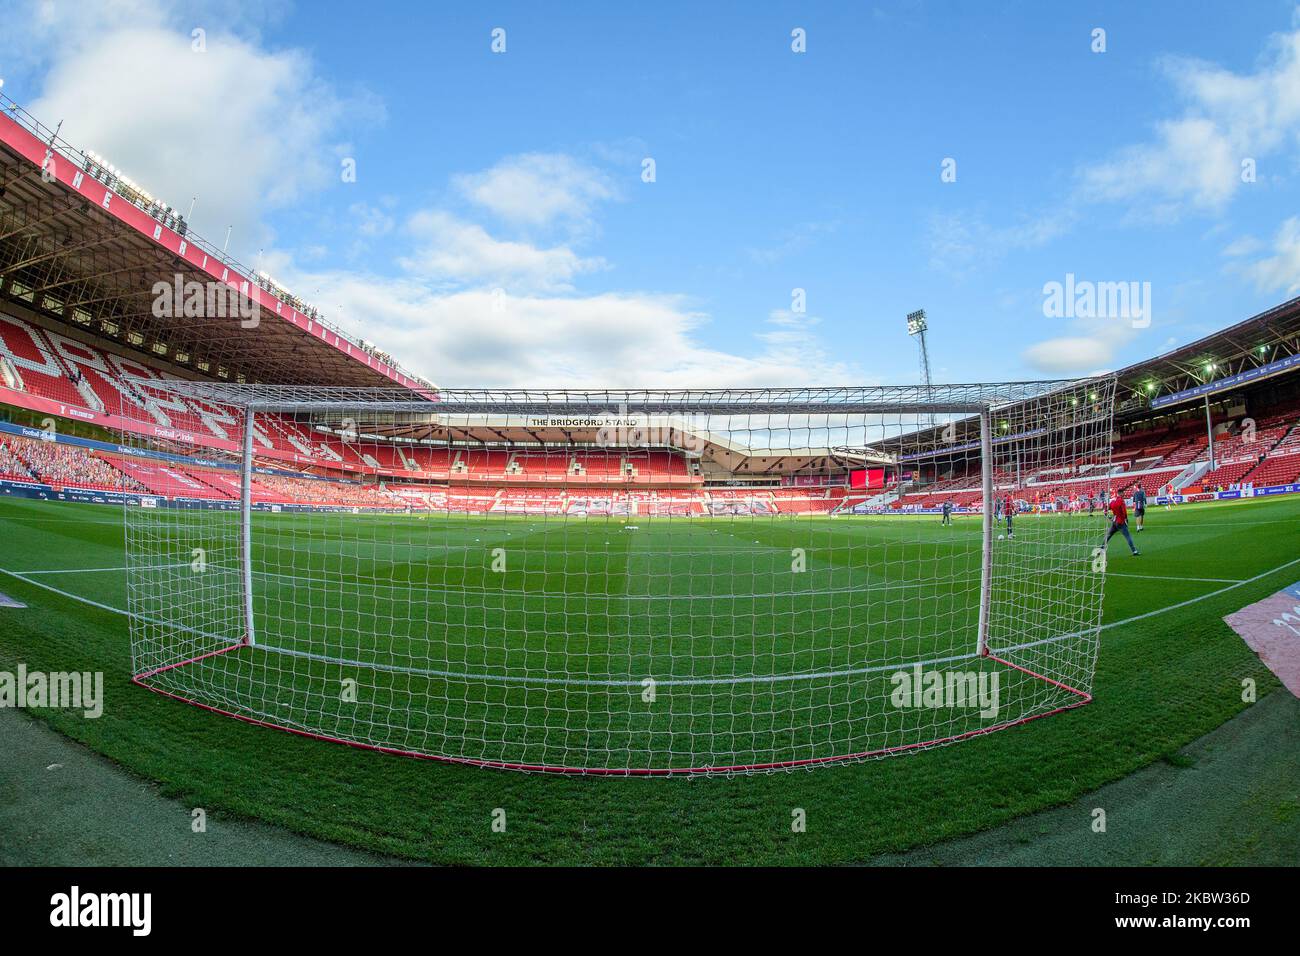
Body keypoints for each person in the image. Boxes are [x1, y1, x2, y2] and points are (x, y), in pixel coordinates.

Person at [1105, 491, 1140, 556]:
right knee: (1128, 536)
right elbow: (1124, 511)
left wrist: (1109, 517)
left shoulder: (1112, 502)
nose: (1124, 494)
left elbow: (1105, 510)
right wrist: (1126, 519)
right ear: (1120, 494)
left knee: (1108, 536)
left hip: (1114, 522)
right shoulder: (1121, 501)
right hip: (1121, 522)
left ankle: (1101, 548)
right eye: (1123, 493)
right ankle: (1134, 551)